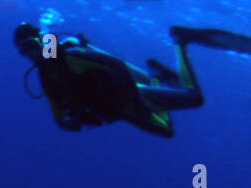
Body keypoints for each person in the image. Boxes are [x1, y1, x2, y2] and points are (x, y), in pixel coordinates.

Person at [14, 23, 251, 137]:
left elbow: (116, 65)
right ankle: (159, 77)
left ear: (42, 41)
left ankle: (180, 40)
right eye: (24, 51)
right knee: (167, 132)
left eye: (32, 46)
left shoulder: (71, 57)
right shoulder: (47, 80)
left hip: (133, 95)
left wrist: (139, 94)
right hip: (120, 110)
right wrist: (71, 124)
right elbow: (59, 118)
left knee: (195, 98)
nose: (31, 54)